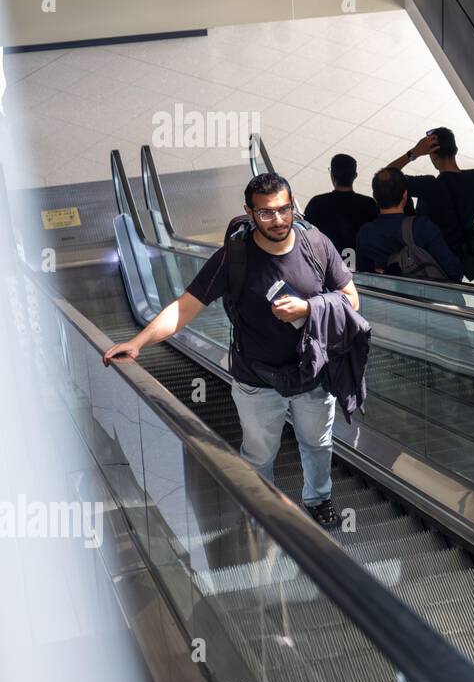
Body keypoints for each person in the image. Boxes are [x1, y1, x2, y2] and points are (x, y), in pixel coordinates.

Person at [101, 173, 360, 528]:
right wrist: (137, 342)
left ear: (292, 204)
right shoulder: (234, 257)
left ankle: (318, 498)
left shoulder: (316, 244)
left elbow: (351, 301)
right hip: (256, 379)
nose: (279, 220)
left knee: (317, 443)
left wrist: (308, 309)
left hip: (313, 374)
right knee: (259, 452)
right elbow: (185, 307)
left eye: (284, 209)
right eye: (266, 213)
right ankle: (261, 510)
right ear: (249, 213)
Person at [387, 127, 474, 279]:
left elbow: (387, 178)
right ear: (456, 150)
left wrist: (413, 153)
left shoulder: (428, 185)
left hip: (428, 259)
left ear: (432, 155)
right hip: (459, 259)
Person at [355, 168, 463, 279]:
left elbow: (363, 275)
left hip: (386, 294)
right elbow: (454, 271)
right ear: (405, 195)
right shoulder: (422, 227)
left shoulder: (365, 233)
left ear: (375, 198)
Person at [303, 154, 378, 261]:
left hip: (325, 266)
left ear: (332, 175)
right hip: (360, 266)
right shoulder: (369, 204)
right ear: (355, 176)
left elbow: (305, 237)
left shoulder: (317, 203)